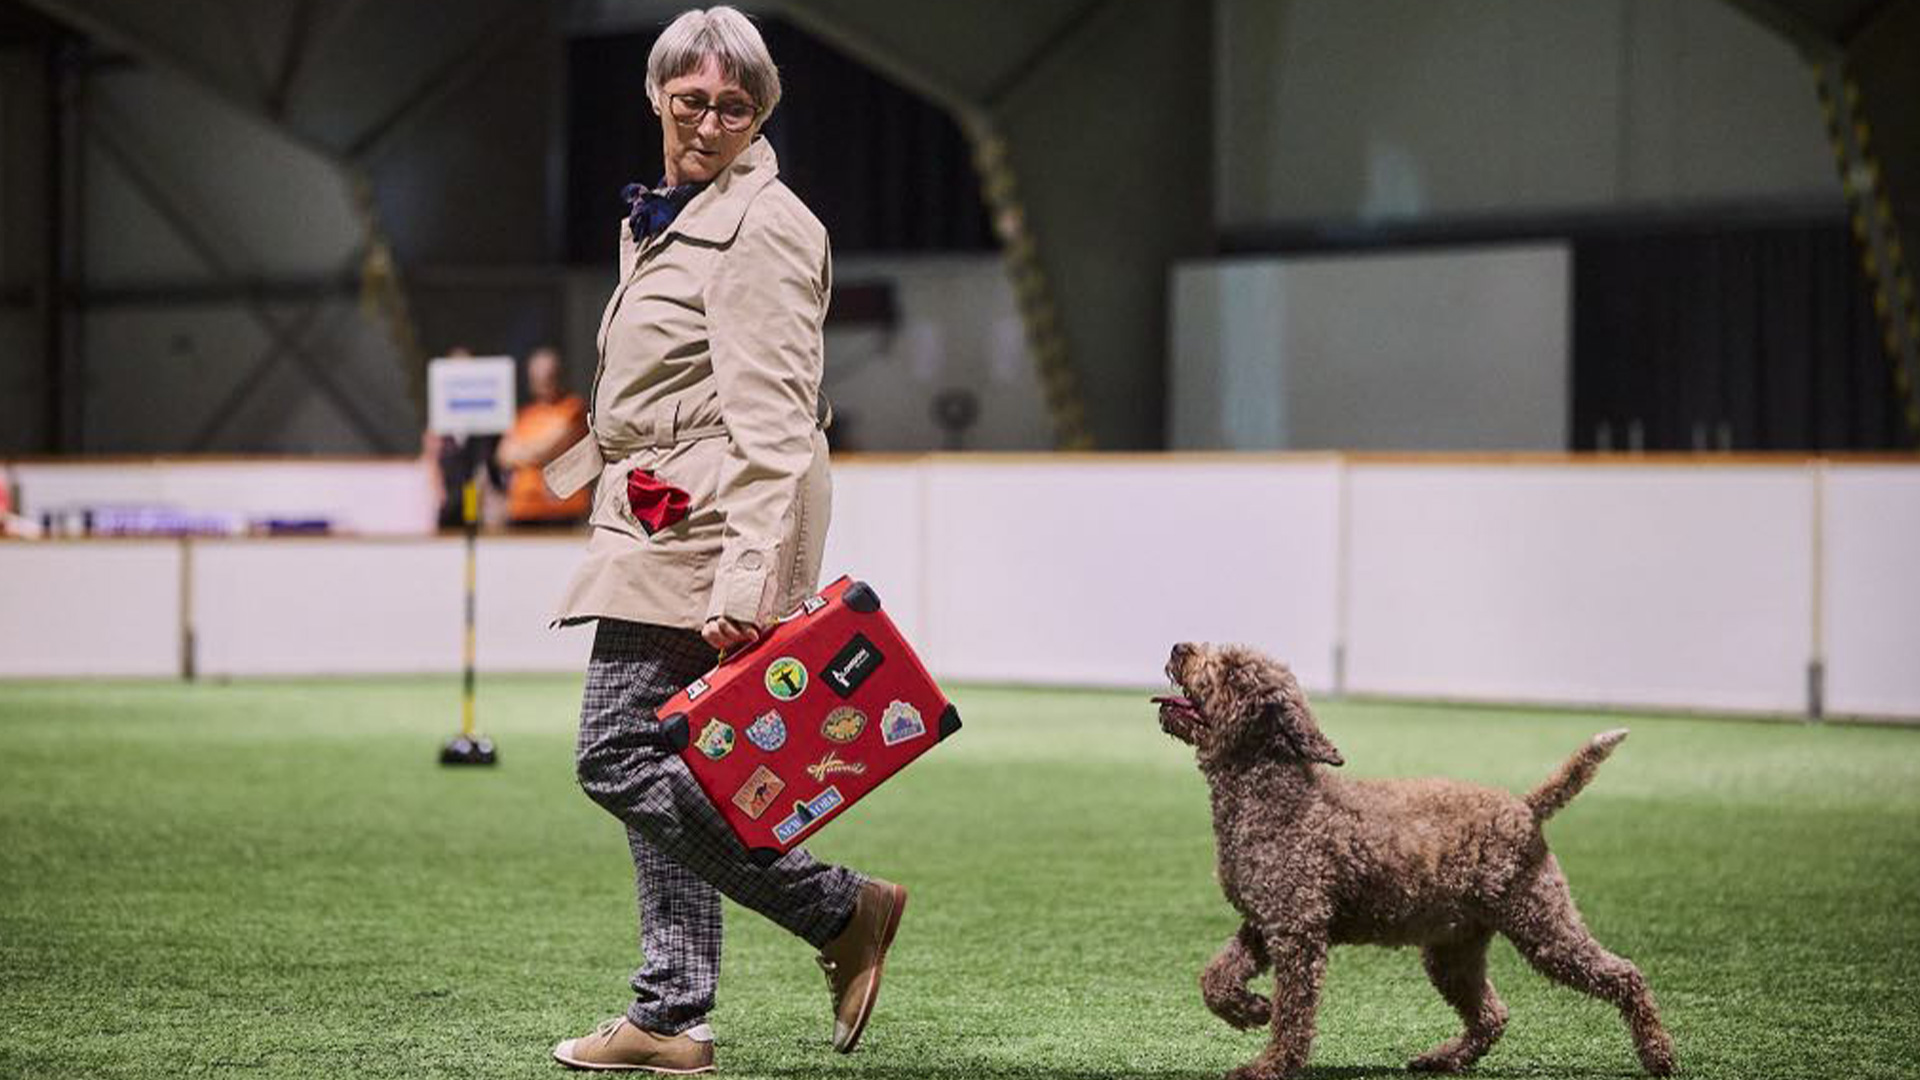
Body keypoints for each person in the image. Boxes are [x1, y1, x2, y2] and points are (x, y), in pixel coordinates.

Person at [543, 8, 904, 1073]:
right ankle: (669, 1016)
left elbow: (779, 421)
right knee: (666, 758)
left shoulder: (766, 224)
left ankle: (840, 909)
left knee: (613, 750)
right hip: (660, 512)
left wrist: (750, 575)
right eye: (693, 99)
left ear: (762, 113)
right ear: (657, 95)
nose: (709, 120)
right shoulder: (673, 213)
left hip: (706, 531)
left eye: (734, 106)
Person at [496, 347, 590, 527]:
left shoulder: (573, 408)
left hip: (562, 510)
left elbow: (549, 448)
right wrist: (534, 451)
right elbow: (503, 455)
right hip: (523, 510)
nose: (542, 382)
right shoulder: (524, 415)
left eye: (548, 376)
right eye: (536, 377)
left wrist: (522, 451)